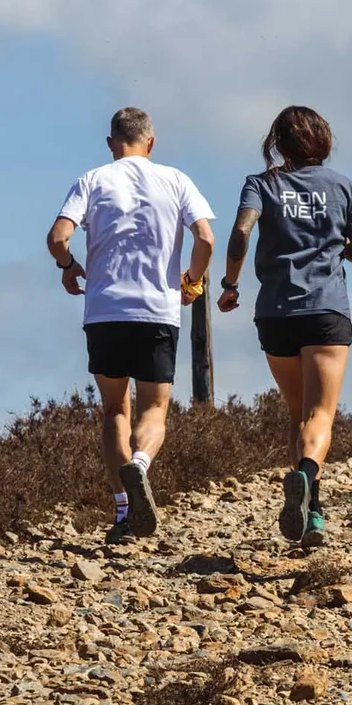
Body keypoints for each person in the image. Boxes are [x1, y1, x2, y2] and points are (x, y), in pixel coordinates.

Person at [47, 107, 215, 543]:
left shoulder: (92, 180)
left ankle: (123, 512)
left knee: (114, 410)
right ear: (151, 142)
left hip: (105, 310)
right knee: (154, 409)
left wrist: (68, 265)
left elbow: (58, 236)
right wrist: (192, 280)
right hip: (158, 310)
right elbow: (206, 238)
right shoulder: (177, 180)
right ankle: (140, 464)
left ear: (110, 144)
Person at [217, 106, 352, 548]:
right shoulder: (342, 186)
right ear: (323, 139)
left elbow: (241, 232)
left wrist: (230, 283)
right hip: (325, 310)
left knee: (296, 412)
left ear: (278, 142)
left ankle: (313, 514)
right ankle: (306, 479)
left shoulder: (261, 183)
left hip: (276, 312)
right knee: (320, 414)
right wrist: (333, 243)